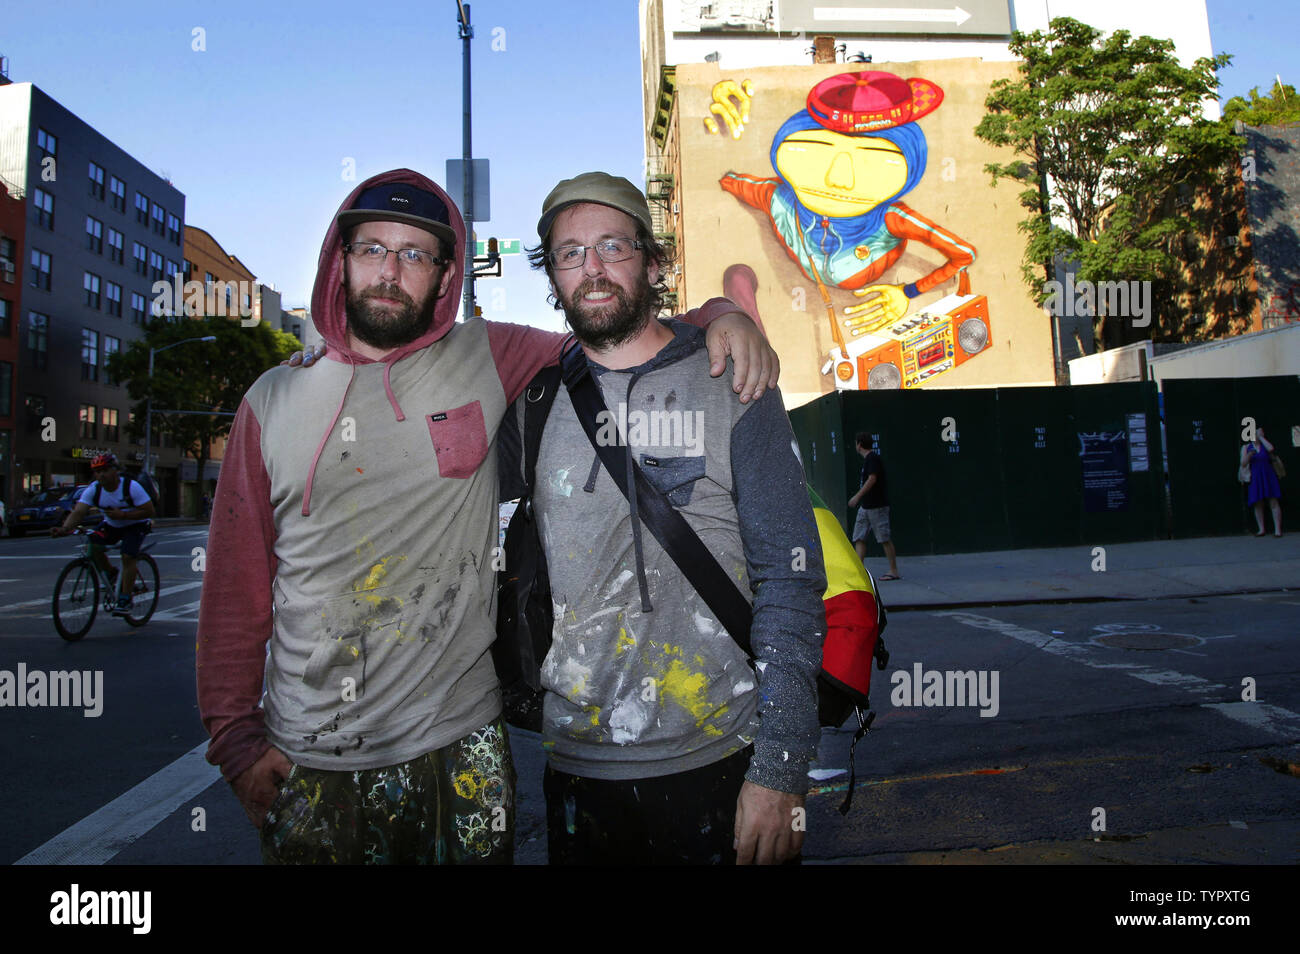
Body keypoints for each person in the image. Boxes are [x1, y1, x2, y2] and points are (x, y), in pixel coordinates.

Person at [196, 168, 777, 865]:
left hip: (463, 750)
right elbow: (234, 587)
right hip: (312, 759)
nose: (390, 271)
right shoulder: (272, 400)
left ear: (444, 278)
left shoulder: (489, 355)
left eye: (415, 255)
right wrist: (235, 741)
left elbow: (620, 328)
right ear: (339, 261)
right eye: (372, 249)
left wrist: (723, 313)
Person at [511, 172, 827, 865]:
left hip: (727, 759)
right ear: (553, 276)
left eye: (612, 246)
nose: (591, 269)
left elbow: (791, 579)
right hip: (579, 771)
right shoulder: (531, 404)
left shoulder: (734, 381)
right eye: (569, 254)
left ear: (653, 260)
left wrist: (781, 767)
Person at [52, 453, 155, 614]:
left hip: (136, 525)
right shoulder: (94, 489)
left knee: (128, 556)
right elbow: (79, 512)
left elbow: (149, 511)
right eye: (97, 471)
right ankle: (112, 574)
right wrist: (64, 529)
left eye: (105, 470)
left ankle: (125, 598)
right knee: (92, 544)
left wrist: (124, 515)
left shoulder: (131, 487)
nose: (101, 474)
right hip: (111, 525)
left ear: (115, 471)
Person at [849, 432, 900, 580]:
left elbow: (872, 479)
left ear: (859, 444)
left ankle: (893, 571)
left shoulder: (872, 459)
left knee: (884, 538)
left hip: (877, 506)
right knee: (859, 537)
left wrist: (857, 496)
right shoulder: (868, 460)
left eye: (856, 443)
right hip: (866, 506)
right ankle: (858, 571)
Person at [1243, 428, 1283, 537]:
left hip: (1268, 475)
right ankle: (1261, 529)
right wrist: (1250, 454)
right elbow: (1243, 463)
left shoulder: (1265, 445)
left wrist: (1261, 438)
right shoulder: (1247, 447)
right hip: (1256, 477)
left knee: (1273, 501)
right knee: (1258, 503)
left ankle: (1277, 530)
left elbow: (1271, 449)